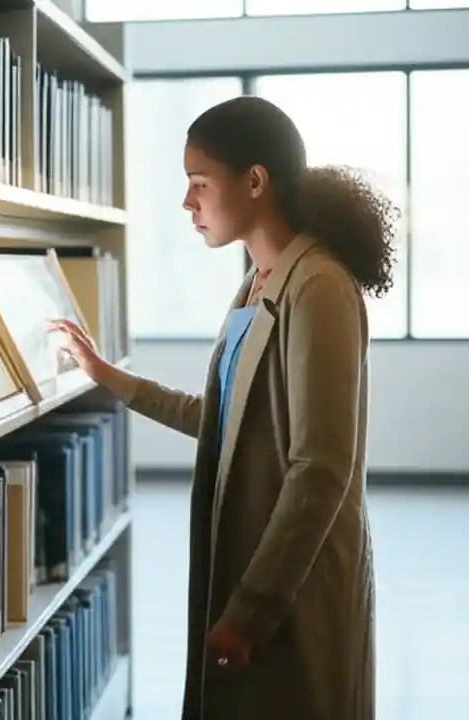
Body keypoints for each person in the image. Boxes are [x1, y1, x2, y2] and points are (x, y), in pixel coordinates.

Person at [51, 95, 397, 719]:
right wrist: (105, 375)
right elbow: (219, 420)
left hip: (297, 583)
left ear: (256, 181)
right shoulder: (258, 280)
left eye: (200, 184)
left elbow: (320, 471)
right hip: (249, 557)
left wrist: (250, 612)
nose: (188, 203)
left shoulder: (319, 287)